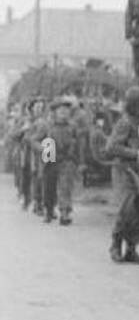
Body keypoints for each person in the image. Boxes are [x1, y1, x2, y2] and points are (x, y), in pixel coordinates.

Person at [104, 85, 139, 265]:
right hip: (125, 171)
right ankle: (116, 245)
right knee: (126, 209)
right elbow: (111, 147)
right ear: (135, 103)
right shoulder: (125, 122)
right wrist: (136, 153)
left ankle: (132, 249)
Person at [38, 96, 82, 226]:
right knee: (49, 186)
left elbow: (79, 144)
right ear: (55, 112)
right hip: (50, 159)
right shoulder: (47, 126)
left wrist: (80, 161)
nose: (64, 112)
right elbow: (32, 139)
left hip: (66, 160)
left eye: (66, 110)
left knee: (65, 186)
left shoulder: (73, 126)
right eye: (60, 110)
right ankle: (49, 210)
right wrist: (43, 148)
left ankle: (64, 213)